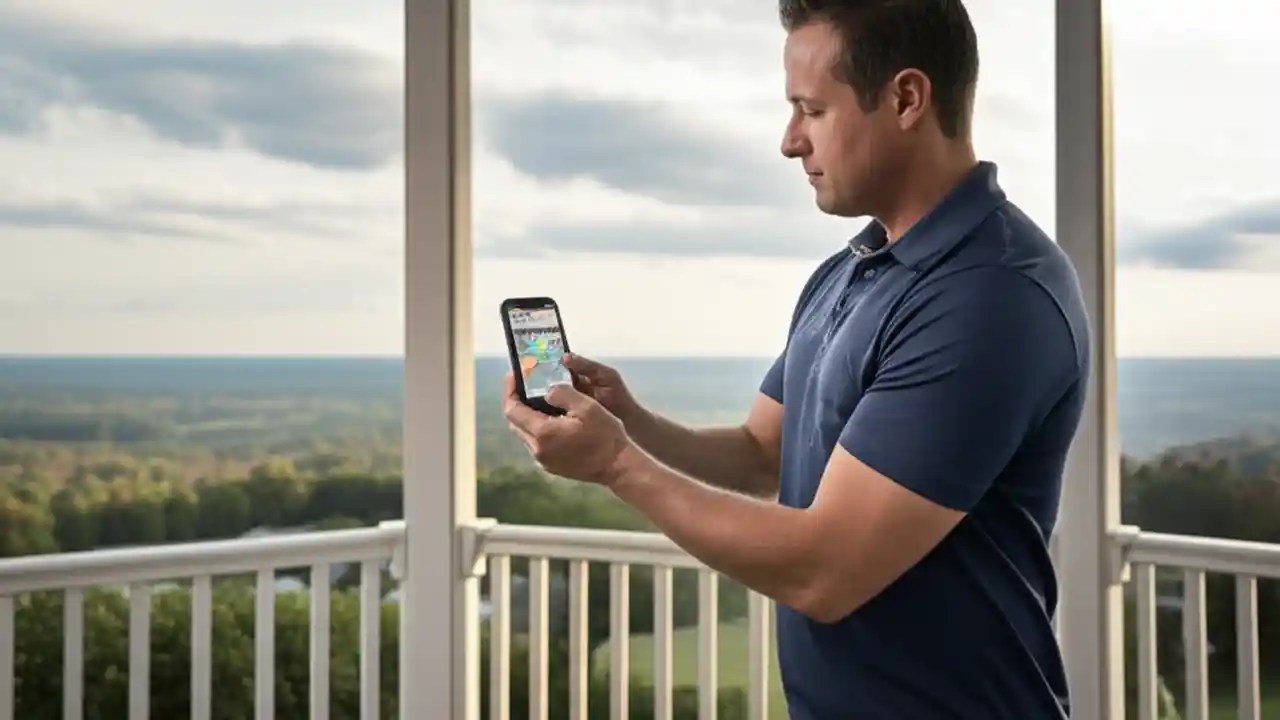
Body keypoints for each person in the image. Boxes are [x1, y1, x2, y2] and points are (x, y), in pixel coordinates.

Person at [502, 1, 1090, 717]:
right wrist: (630, 422)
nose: (789, 141)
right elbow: (761, 454)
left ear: (906, 98)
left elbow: (826, 569)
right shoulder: (850, 271)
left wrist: (615, 462)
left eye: (810, 110)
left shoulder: (991, 294)